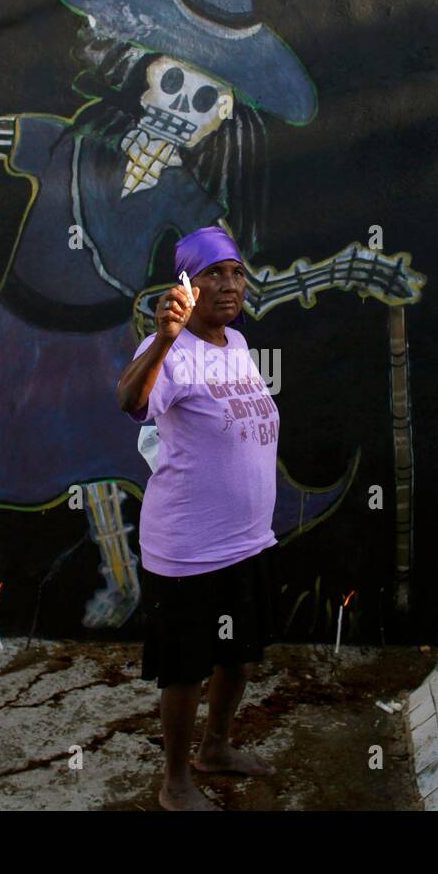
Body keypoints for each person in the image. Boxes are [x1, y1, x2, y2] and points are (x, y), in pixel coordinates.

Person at [116, 224, 281, 811]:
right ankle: (176, 782)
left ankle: (217, 749)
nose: (230, 284)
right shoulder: (171, 349)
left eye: (236, 272)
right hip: (188, 549)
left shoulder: (235, 346)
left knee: (238, 656)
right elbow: (132, 403)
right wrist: (163, 339)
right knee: (184, 671)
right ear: (186, 282)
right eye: (214, 273)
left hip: (246, 542)